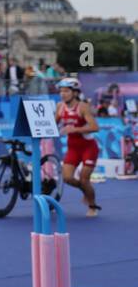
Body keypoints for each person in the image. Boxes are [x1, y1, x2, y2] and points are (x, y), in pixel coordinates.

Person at [56, 77, 101, 217]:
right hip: (73, 148)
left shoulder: (82, 106)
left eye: (66, 91)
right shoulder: (59, 107)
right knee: (67, 178)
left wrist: (74, 129)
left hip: (88, 148)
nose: (63, 94)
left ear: (75, 93)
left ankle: (92, 206)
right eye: (61, 91)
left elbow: (95, 127)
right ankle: (86, 191)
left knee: (84, 179)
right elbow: (52, 124)